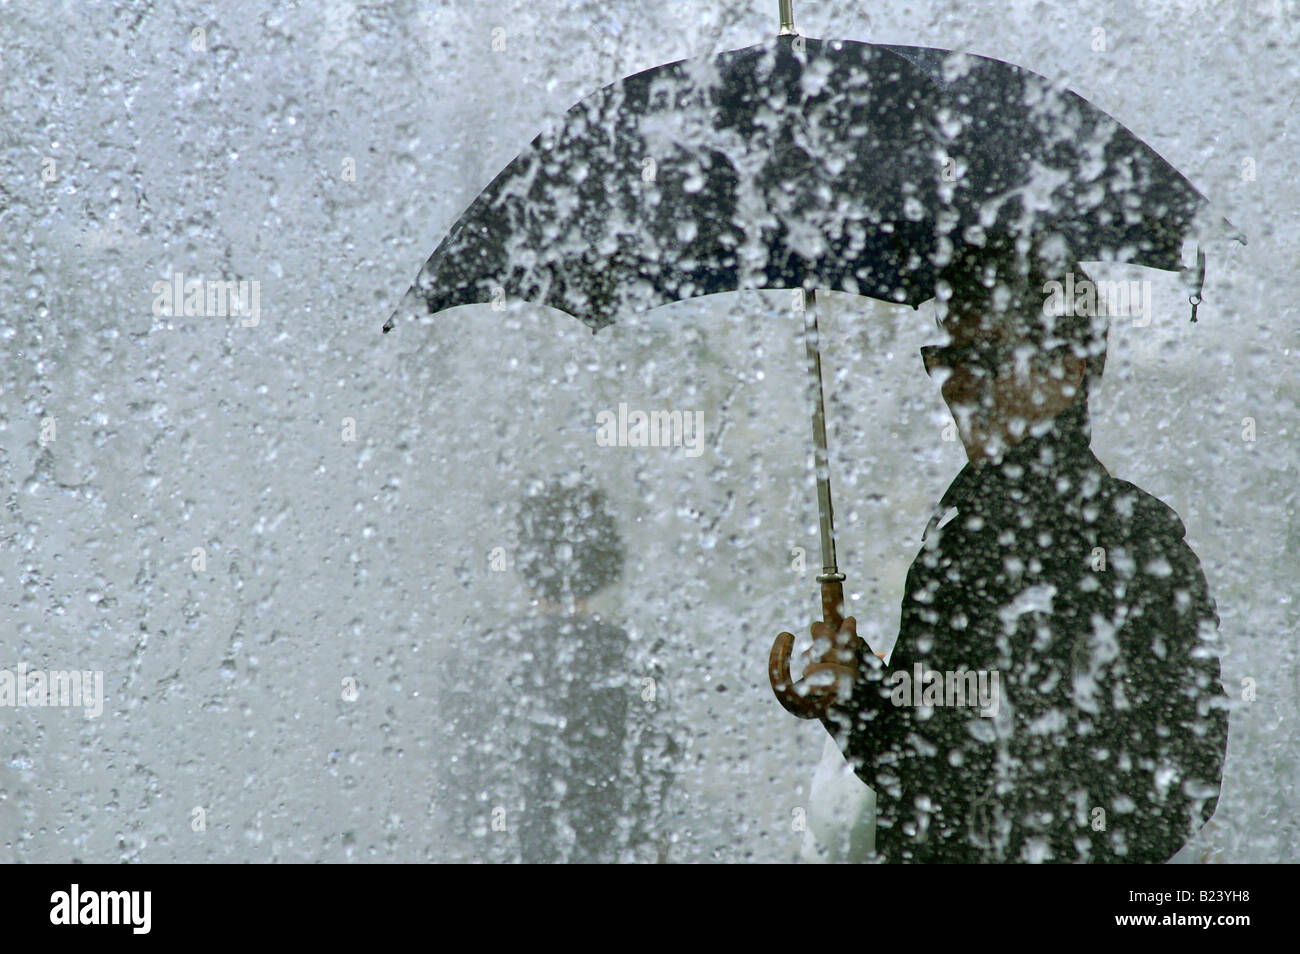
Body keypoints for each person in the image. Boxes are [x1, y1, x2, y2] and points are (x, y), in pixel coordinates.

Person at [785, 237, 1229, 863]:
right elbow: (919, 773)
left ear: (1070, 366)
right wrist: (856, 696)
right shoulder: (958, 533)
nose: (957, 386)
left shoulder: (1134, 542)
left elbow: (1182, 786)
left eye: (986, 358)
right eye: (945, 358)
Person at [435, 476, 679, 863]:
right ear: (608, 561)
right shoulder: (637, 663)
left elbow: (460, 807)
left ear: (523, 560)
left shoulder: (478, 663)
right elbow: (655, 807)